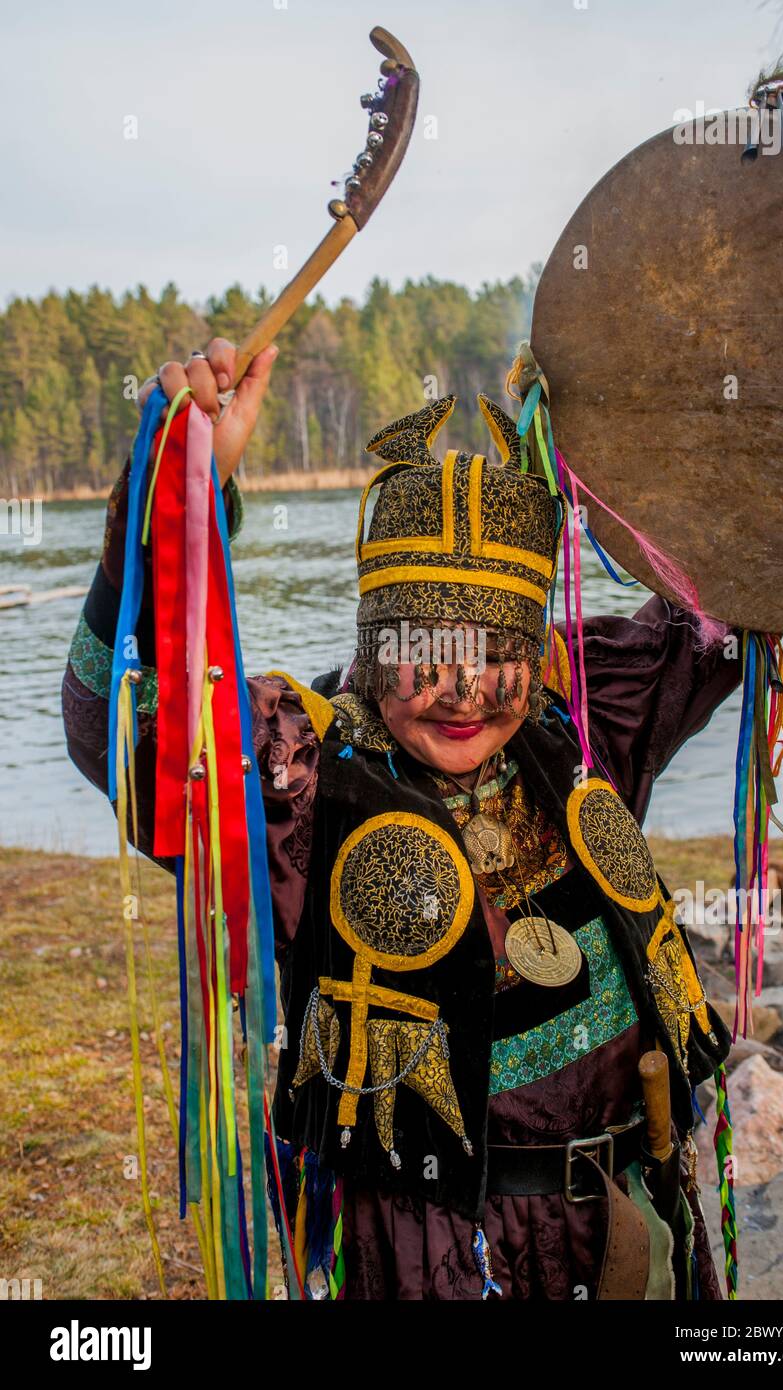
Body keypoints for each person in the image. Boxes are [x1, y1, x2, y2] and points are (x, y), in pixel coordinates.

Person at [63, 337, 741, 1301]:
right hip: (426, 1256)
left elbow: (743, 602)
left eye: (496, 650)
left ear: (534, 644)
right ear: (375, 644)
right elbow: (114, 732)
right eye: (425, 650)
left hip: (628, 1220)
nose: (463, 690)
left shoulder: (580, 712)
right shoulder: (299, 770)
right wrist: (171, 501)